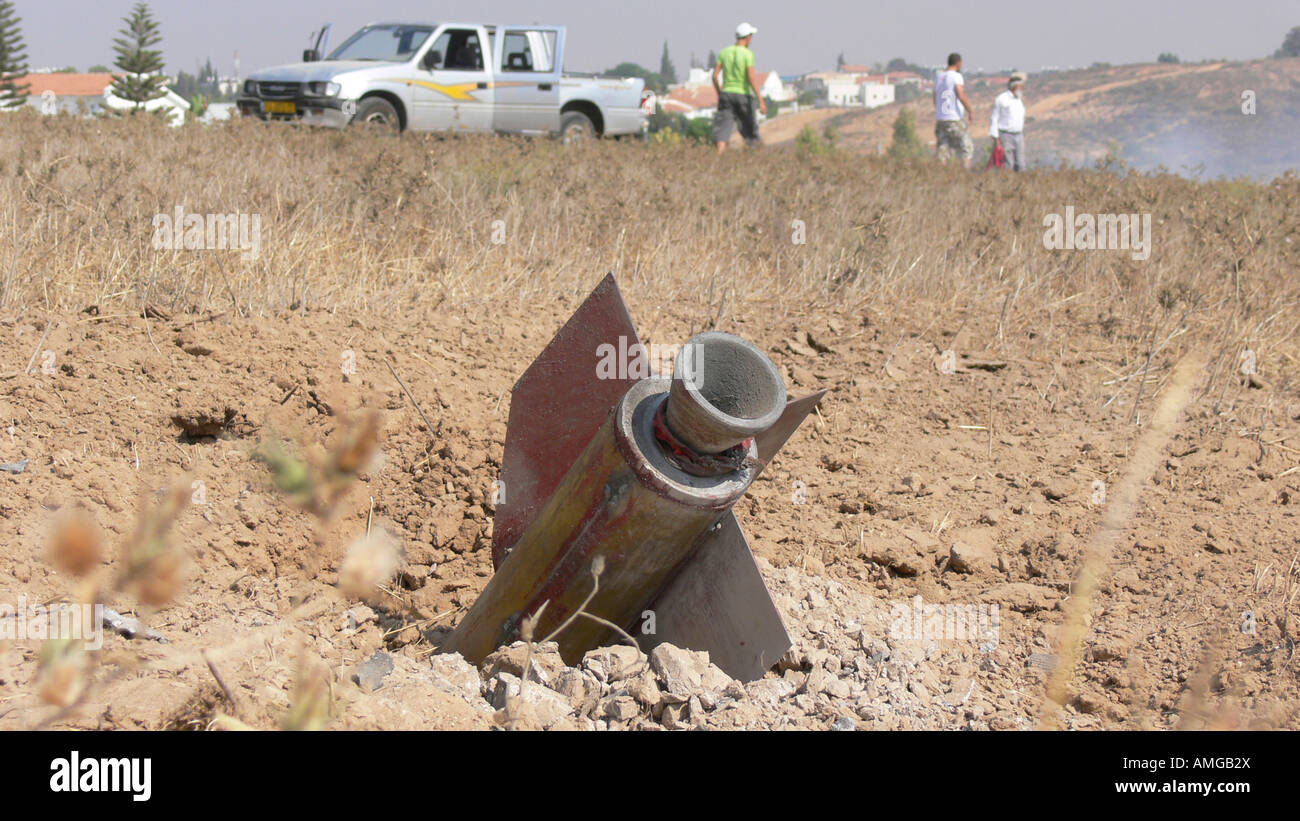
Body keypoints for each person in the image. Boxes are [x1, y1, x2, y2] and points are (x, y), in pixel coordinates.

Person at [712, 22, 768, 154]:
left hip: (726, 94)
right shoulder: (748, 54)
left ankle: (719, 157)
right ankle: (755, 156)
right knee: (749, 129)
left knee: (723, 129)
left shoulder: (724, 52)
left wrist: (720, 93)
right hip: (743, 95)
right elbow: (751, 78)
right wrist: (761, 99)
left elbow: (714, 76)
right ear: (748, 37)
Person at [934, 52, 975, 168]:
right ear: (959, 63)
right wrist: (970, 111)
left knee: (943, 147)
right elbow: (960, 94)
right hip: (954, 118)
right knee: (967, 146)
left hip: (941, 118)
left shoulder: (939, 77)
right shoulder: (956, 76)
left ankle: (940, 173)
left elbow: (935, 98)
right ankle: (965, 172)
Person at [989, 73, 1027, 171]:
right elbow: (994, 118)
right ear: (1015, 86)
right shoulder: (1001, 99)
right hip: (1006, 135)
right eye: (1021, 87)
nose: (1023, 89)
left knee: (1020, 163)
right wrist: (996, 138)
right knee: (1008, 163)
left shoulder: (1019, 100)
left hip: (1018, 135)